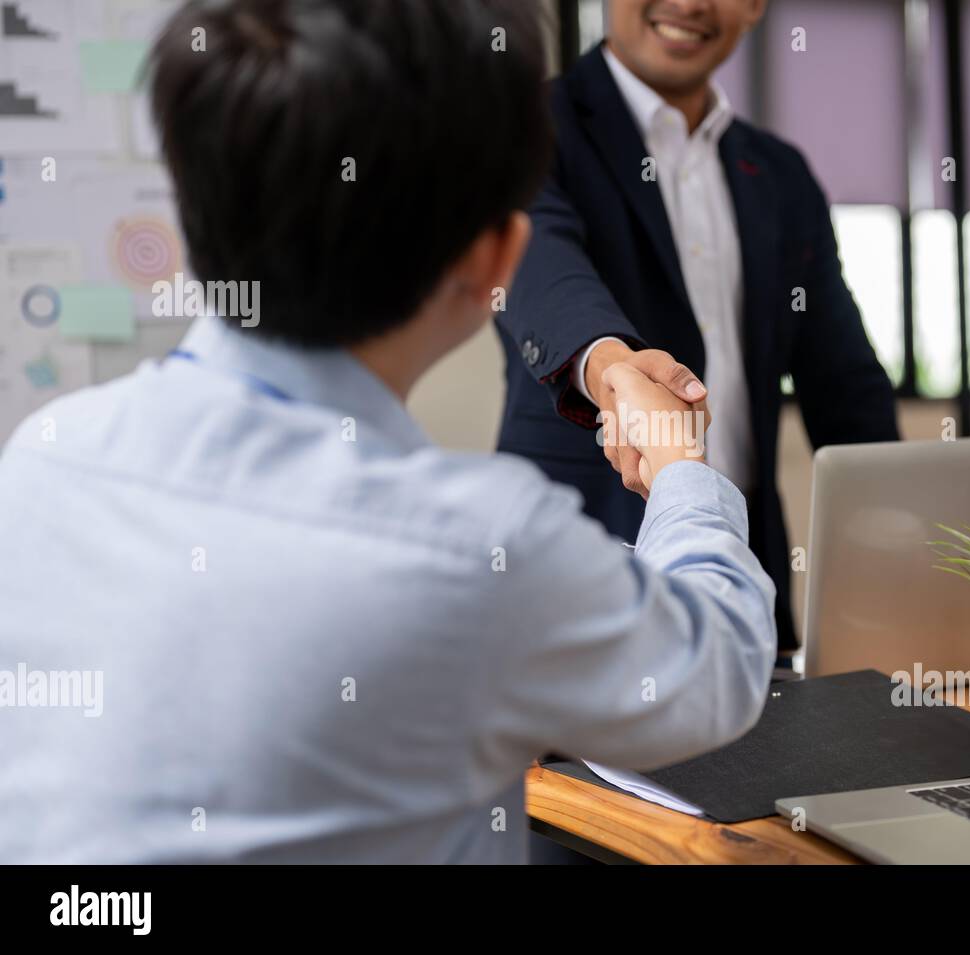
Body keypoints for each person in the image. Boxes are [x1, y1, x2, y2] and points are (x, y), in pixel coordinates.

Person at [0, 0, 774, 864]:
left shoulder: (42, 458)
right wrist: (679, 470)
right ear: (492, 262)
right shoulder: (477, 546)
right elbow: (719, 672)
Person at [496, 0, 900, 655]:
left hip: (745, 581)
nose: (688, 3)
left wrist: (908, 540)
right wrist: (615, 370)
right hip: (573, 577)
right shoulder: (530, 126)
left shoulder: (782, 174)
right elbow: (539, 267)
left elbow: (847, 388)